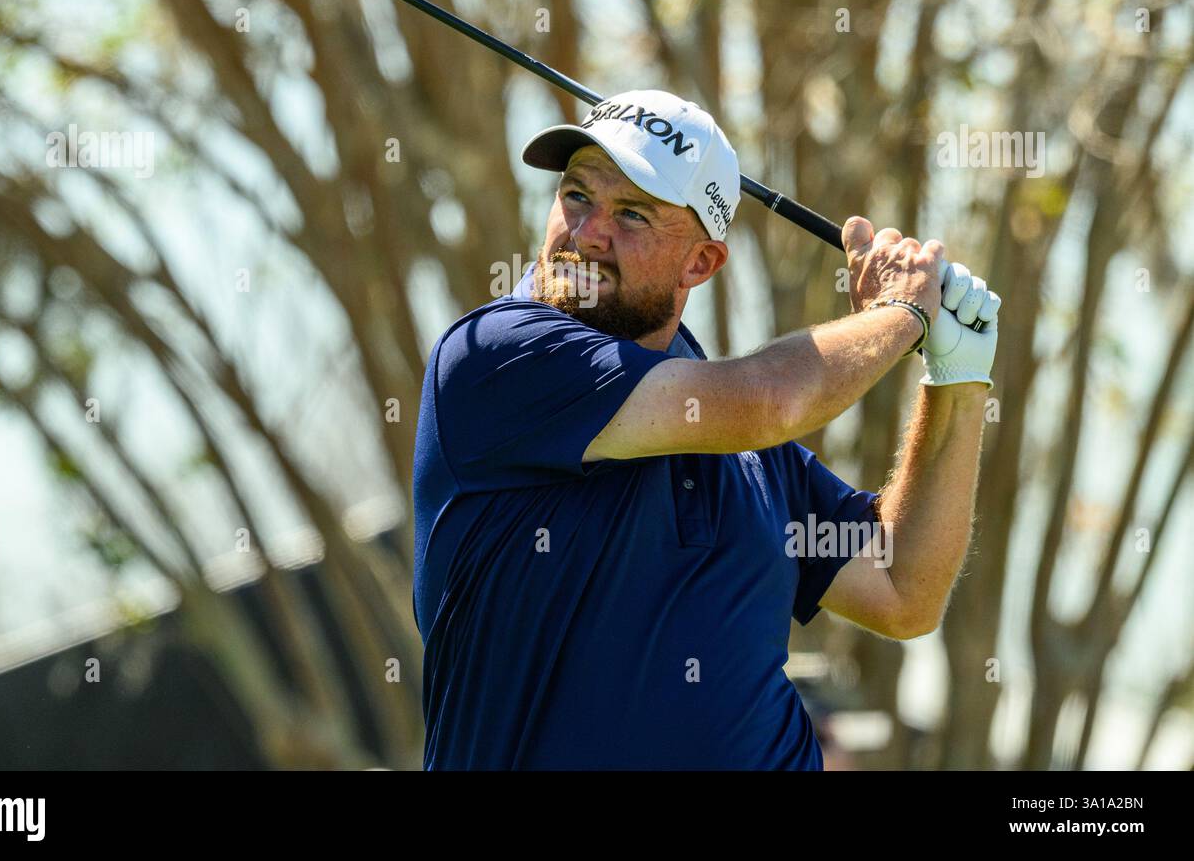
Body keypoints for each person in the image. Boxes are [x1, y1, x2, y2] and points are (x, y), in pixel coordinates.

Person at [412, 89, 1000, 770]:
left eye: (631, 213)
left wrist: (956, 382)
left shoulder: (747, 453)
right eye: (577, 195)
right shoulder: (497, 357)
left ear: (701, 263)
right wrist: (902, 313)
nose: (587, 232)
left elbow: (903, 589)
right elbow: (774, 399)